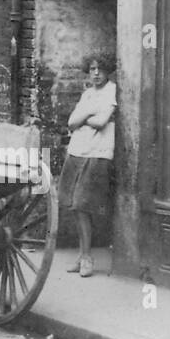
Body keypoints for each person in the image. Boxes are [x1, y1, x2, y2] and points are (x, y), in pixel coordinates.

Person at [58, 54, 118, 278]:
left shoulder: (111, 91)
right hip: (78, 151)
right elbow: (71, 122)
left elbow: (101, 122)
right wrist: (90, 113)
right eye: (92, 69)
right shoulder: (88, 94)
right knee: (75, 206)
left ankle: (87, 258)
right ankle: (83, 255)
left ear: (107, 71)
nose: (96, 73)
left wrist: (84, 117)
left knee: (82, 204)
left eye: (100, 69)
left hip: (97, 153)